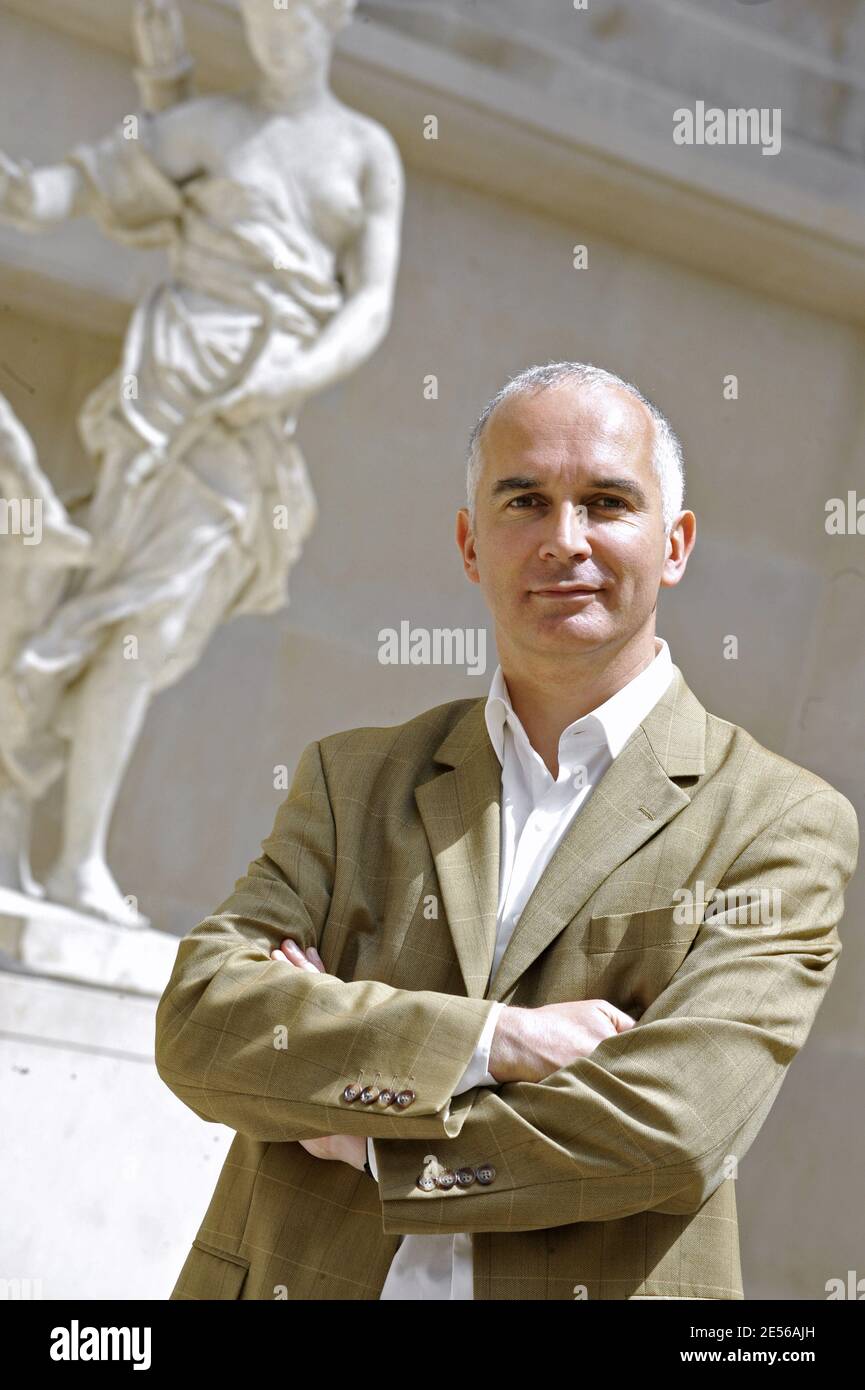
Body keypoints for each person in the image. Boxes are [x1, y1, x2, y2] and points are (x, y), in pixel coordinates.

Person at [155, 361, 858, 1300]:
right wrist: (493, 1042)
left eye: (606, 502)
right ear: (469, 543)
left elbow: (671, 1127)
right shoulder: (350, 780)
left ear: (675, 543)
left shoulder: (777, 821)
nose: (564, 541)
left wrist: (366, 1139)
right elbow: (205, 1022)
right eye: (524, 500)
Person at [0, 0, 402, 925]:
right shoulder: (214, 127)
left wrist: (295, 374)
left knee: (146, 628)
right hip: (169, 396)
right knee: (129, 617)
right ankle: (75, 860)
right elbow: (95, 177)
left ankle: (60, 843)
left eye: (295, 12)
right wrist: (31, 197)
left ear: (336, 16)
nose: (275, 28)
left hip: (250, 418)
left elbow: (369, 304)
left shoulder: (364, 151)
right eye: (259, 12)